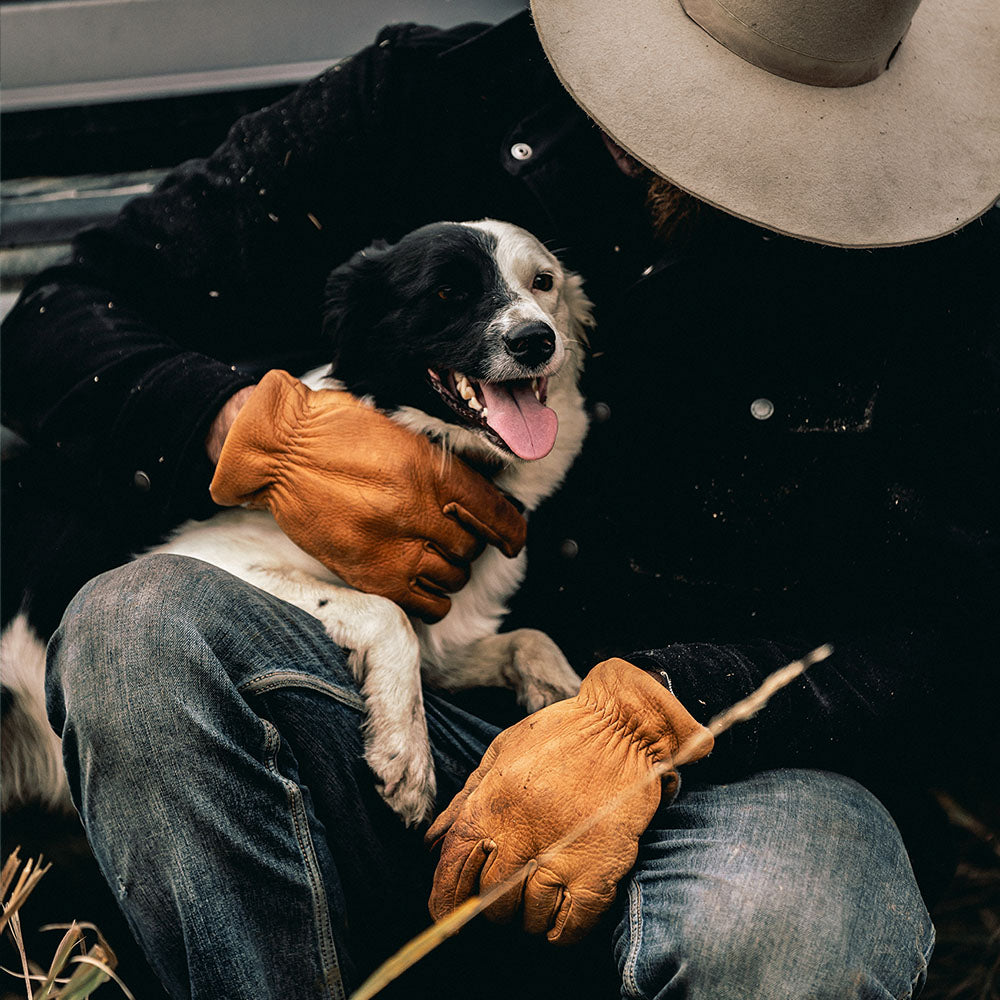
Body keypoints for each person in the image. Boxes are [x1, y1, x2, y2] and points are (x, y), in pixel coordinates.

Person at [3, 0, 998, 996]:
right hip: (397, 711)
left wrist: (661, 714)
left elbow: (946, 617)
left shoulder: (946, 247)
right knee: (136, 626)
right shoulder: (423, 99)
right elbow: (56, 320)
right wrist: (253, 433)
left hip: (754, 780)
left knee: (776, 932)